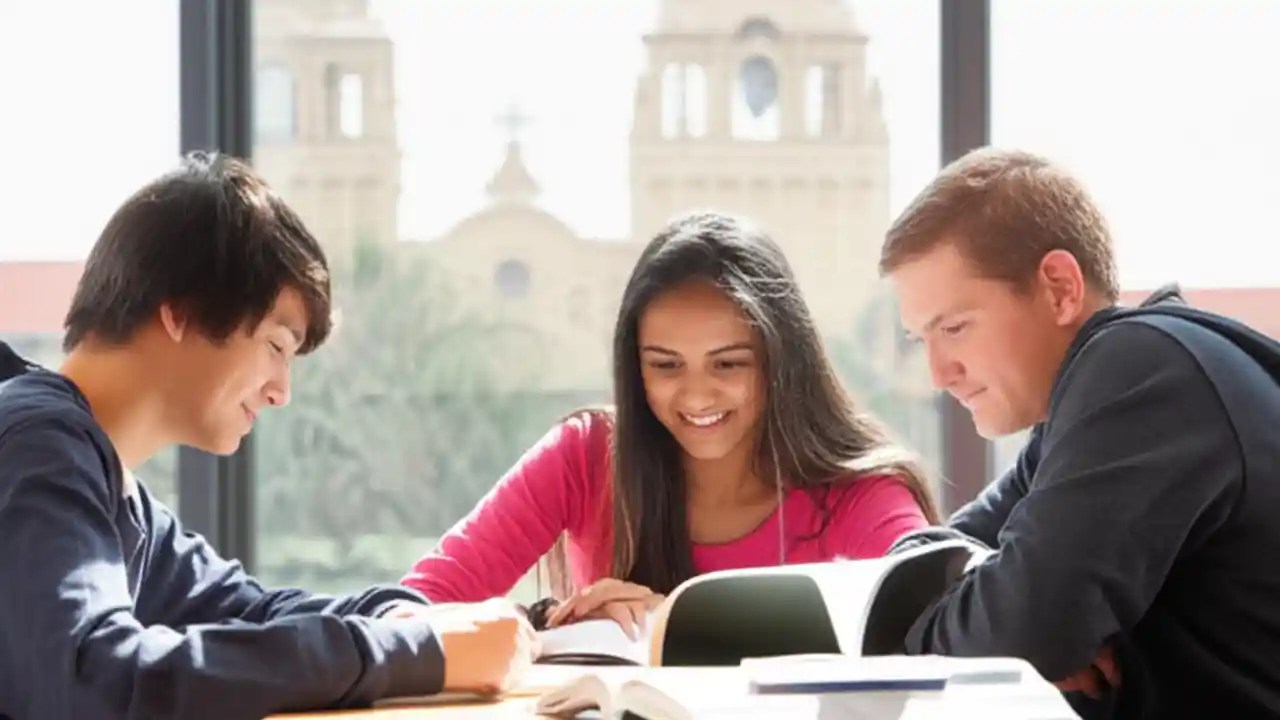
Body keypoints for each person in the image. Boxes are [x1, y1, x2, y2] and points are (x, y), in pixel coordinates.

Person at [0, 153, 535, 720]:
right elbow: (97, 678)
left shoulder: (110, 487)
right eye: (276, 347)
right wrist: (415, 652)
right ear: (180, 312)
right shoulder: (38, 445)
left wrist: (406, 616)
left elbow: (253, 611)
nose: (282, 391)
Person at [881, 147, 1280, 718]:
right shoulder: (1072, 419)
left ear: (1061, 288)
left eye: (956, 327)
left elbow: (1022, 630)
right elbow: (928, 561)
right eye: (925, 339)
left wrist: (1017, 619)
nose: (939, 373)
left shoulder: (1140, 370)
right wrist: (1010, 604)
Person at [402, 211, 940, 635]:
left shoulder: (861, 492)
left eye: (729, 363)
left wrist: (676, 627)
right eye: (664, 365)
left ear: (783, 360)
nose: (696, 394)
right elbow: (409, 613)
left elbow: (930, 632)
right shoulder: (585, 455)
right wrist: (547, 625)